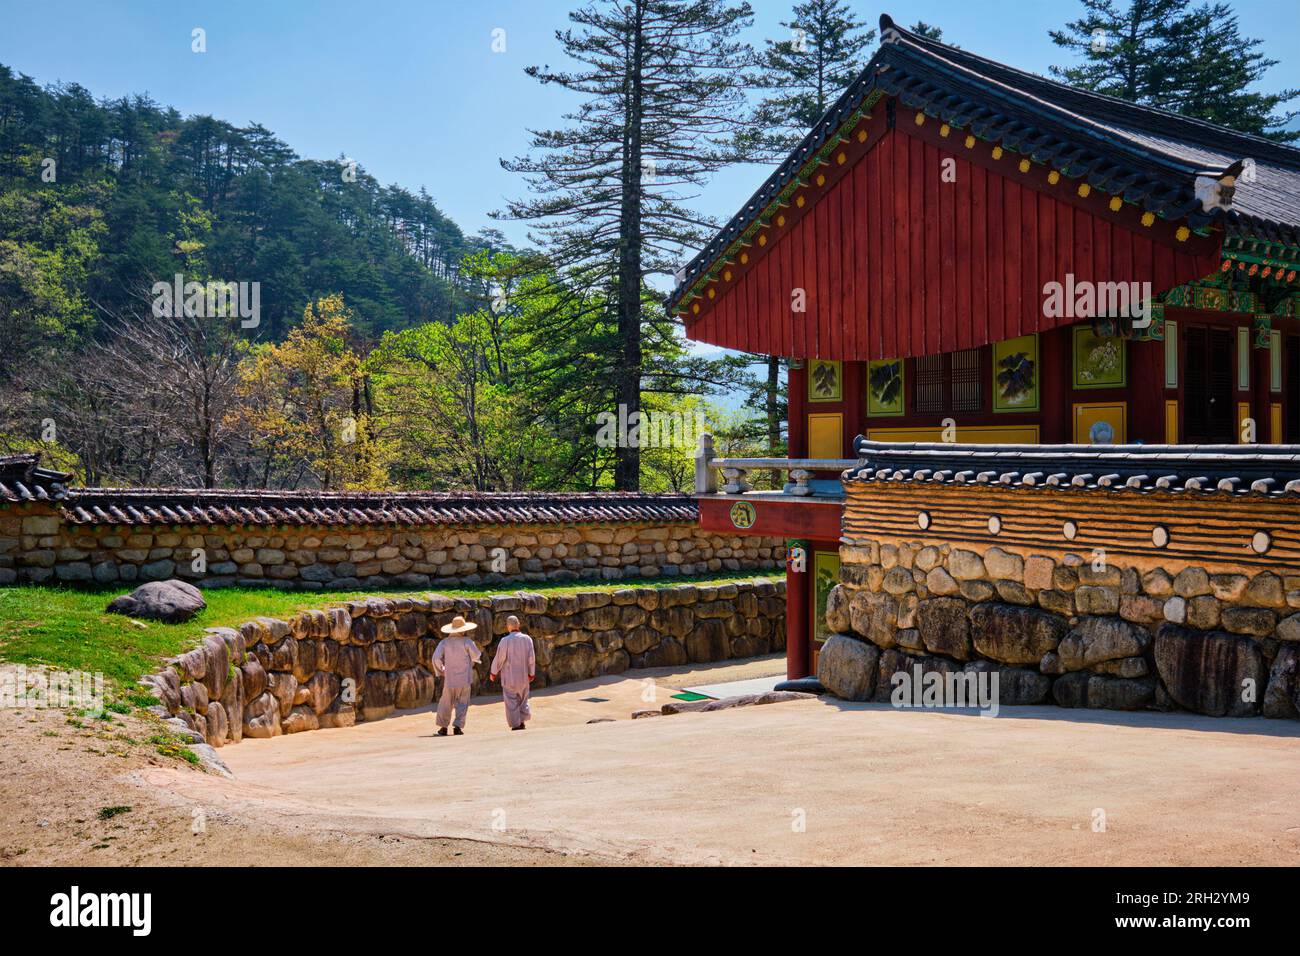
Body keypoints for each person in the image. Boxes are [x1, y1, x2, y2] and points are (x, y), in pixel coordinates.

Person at [431, 615, 481, 736]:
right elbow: (476, 656)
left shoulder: (444, 643)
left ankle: (443, 727)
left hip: (450, 678)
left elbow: (436, 658)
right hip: (464, 679)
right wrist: (472, 661)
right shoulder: (467, 642)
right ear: (463, 629)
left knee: (446, 702)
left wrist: (441, 670)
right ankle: (458, 726)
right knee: (463, 703)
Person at [490, 615, 536, 731]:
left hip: (509, 678)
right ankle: (522, 721)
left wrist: (493, 672)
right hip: (523, 677)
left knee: (511, 701)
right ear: (518, 624)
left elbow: (499, 658)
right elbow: (531, 658)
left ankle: (516, 725)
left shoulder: (505, 641)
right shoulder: (527, 639)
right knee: (523, 699)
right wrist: (532, 673)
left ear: (508, 627)